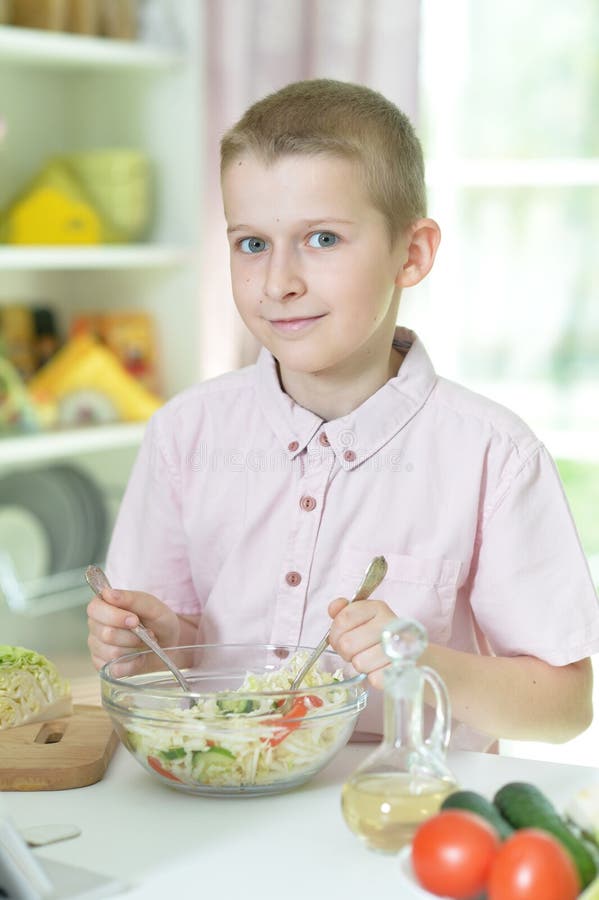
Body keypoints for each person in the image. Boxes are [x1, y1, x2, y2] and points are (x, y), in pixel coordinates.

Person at [87, 78, 599, 751]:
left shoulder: (491, 455)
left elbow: (563, 706)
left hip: (406, 817)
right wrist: (160, 638)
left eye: (322, 239)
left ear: (410, 254)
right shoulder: (185, 434)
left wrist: (420, 662)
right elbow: (161, 671)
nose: (278, 282)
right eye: (251, 244)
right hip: (220, 800)